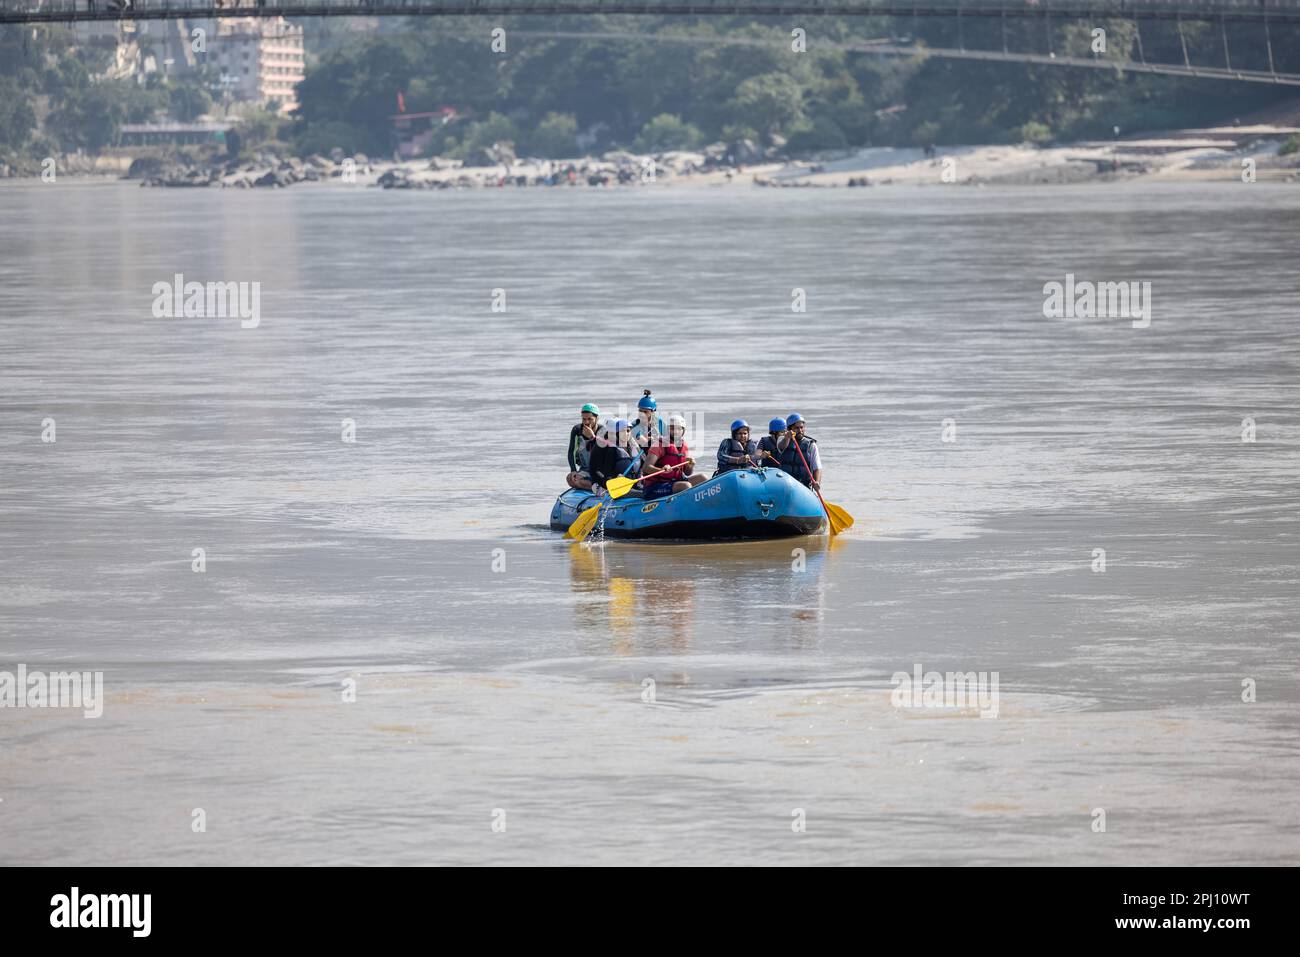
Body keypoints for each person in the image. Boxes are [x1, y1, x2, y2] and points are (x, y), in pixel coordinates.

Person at [642, 413, 706, 498]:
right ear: (668, 429)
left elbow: (687, 473)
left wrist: (690, 466)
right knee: (685, 486)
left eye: (679, 429)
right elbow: (646, 468)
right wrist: (661, 469)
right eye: (672, 428)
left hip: (675, 482)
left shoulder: (684, 446)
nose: (676, 431)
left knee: (703, 478)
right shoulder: (659, 445)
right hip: (655, 486)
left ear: (683, 430)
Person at [588, 419, 637, 497]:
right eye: (611, 433)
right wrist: (612, 481)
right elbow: (595, 471)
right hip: (603, 484)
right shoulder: (602, 447)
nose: (613, 435)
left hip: (626, 482)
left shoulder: (629, 445)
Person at [778, 412, 822, 490]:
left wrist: (817, 481)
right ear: (789, 429)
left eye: (801, 427)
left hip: (803, 486)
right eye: (796, 428)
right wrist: (787, 437)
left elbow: (817, 467)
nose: (800, 430)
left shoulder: (811, 445)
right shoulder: (782, 439)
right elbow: (781, 447)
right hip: (785, 485)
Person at [565, 402, 600, 490]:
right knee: (570, 479)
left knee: (578, 482)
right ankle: (593, 487)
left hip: (599, 471)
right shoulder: (577, 430)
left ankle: (600, 487)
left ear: (597, 418)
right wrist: (573, 470)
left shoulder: (603, 431)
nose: (586, 422)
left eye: (590, 419)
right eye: (584, 419)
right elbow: (571, 452)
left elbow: (604, 452)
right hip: (585, 470)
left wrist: (592, 437)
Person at [630, 390, 665, 458]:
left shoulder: (660, 422)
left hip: (658, 454)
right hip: (641, 456)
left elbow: (667, 439)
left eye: (645, 411)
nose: (642, 414)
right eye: (640, 411)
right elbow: (644, 442)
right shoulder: (634, 426)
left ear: (653, 411)